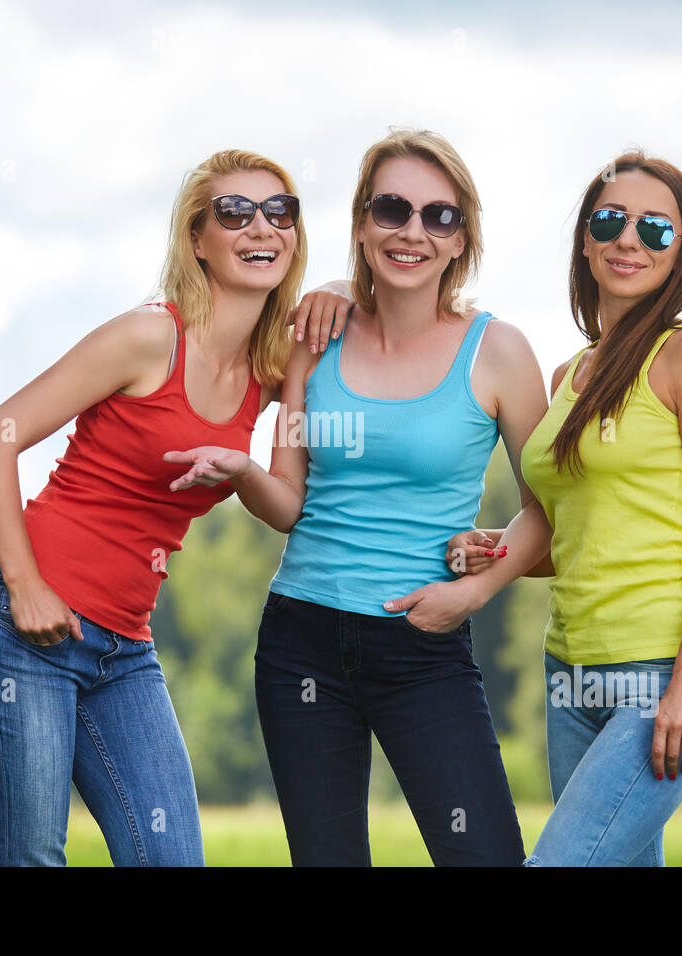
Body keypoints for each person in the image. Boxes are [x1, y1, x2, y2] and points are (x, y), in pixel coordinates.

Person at [0, 148, 348, 866]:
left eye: (279, 211)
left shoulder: (279, 367)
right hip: (19, 629)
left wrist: (243, 467)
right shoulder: (147, 337)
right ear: (198, 239)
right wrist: (25, 583)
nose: (262, 227)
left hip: (124, 650)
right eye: (236, 212)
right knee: (28, 856)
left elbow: (285, 504)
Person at [166, 129, 549, 865]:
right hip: (299, 641)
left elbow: (548, 511)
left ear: (463, 237)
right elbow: (285, 502)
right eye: (392, 208)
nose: (413, 231)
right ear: (360, 224)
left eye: (439, 216)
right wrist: (244, 471)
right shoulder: (316, 334)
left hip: (425, 645)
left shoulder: (498, 352)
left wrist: (474, 593)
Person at [408, 150, 682, 866]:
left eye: (656, 229)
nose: (629, 239)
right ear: (587, 240)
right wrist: (495, 546)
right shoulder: (571, 375)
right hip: (570, 679)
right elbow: (579, 534)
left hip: (660, 682)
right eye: (611, 220)